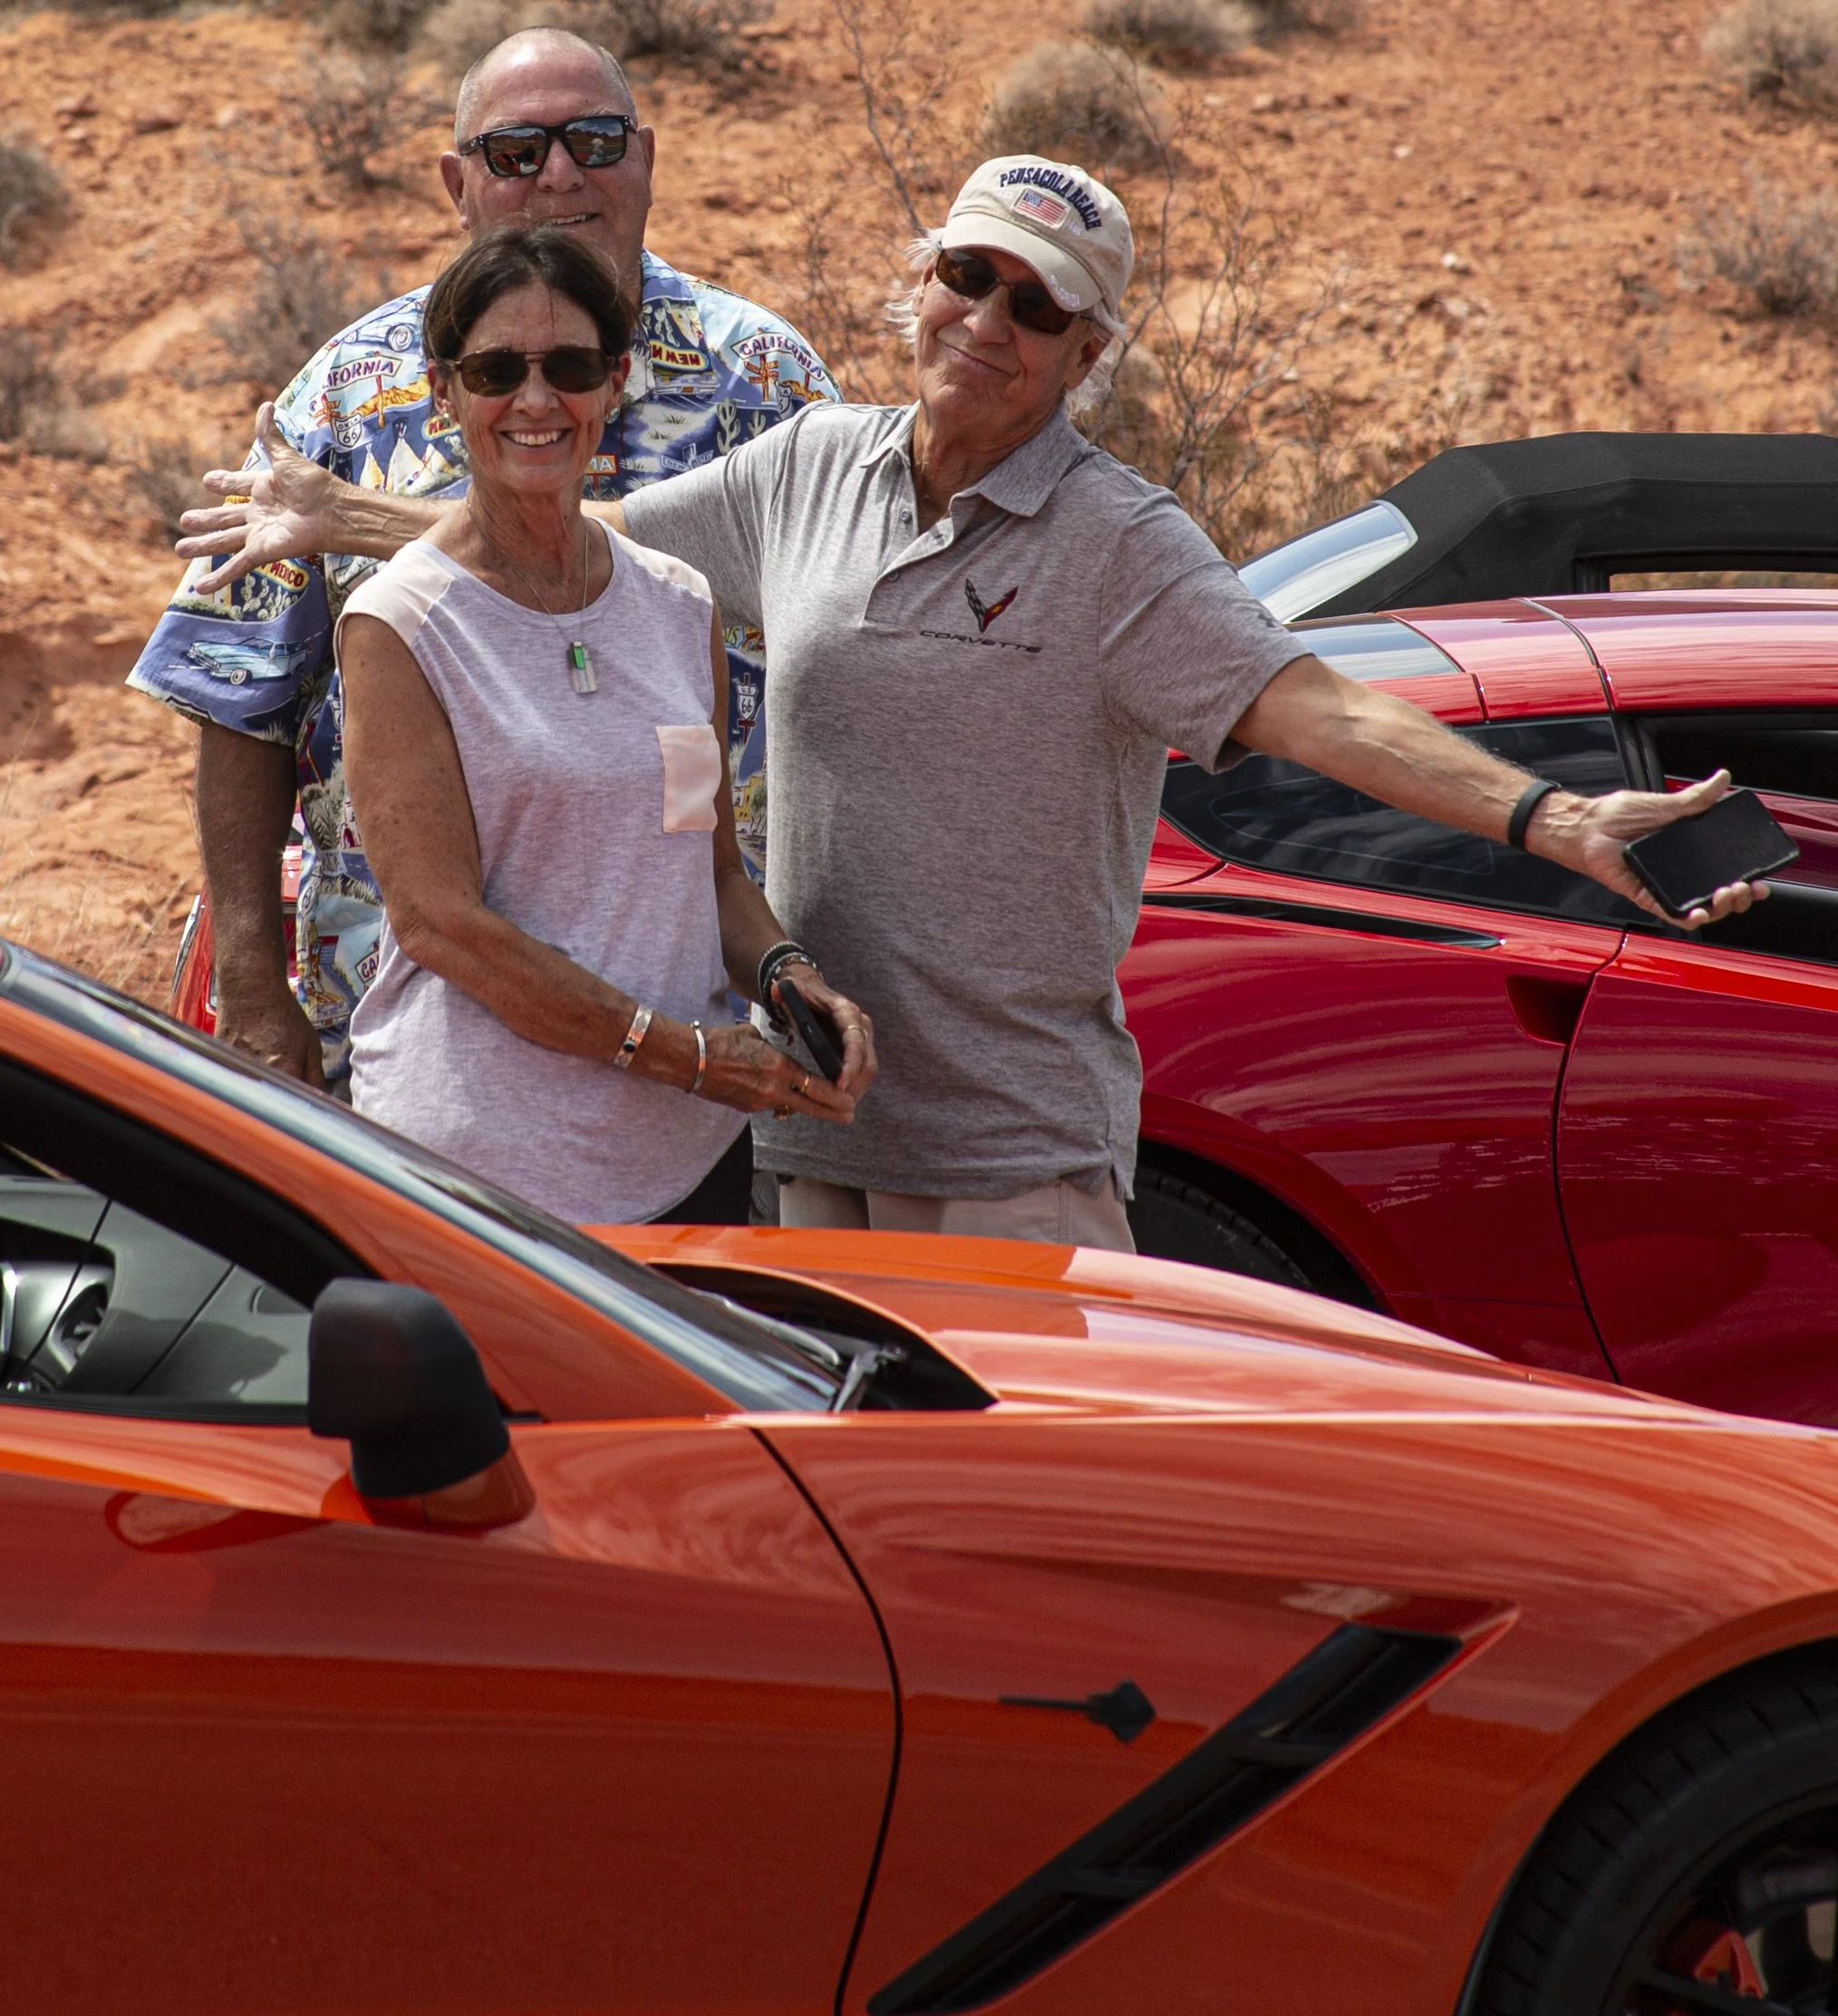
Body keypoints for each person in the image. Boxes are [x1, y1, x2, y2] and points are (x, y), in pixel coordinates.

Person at [173, 155, 1763, 1253]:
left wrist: (1554, 813)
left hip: (1010, 1160)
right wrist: (342, 521)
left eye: (1036, 306)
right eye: (968, 276)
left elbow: (1313, 708)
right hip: (804, 1140)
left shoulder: (1121, 547)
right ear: (916, 280)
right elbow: (552, 538)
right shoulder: (806, 472)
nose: (986, 324)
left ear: (1088, 350)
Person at [129, 26, 837, 1094]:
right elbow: (240, 699)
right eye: (516, 151)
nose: (561, 172)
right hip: (416, 1032)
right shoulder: (347, 395)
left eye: (596, 141)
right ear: (459, 184)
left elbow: (851, 650)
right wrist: (252, 991)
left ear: (645, 158)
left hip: (710, 1046)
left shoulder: (769, 387)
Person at [336, 225, 872, 1225]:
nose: (535, 401)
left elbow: (708, 875)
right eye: (498, 369)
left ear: (615, 382)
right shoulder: (399, 624)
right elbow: (441, 925)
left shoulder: (678, 603)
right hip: (485, 1184)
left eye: (571, 366)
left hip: (685, 1164)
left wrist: (790, 975)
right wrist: (690, 1058)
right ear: (444, 391)